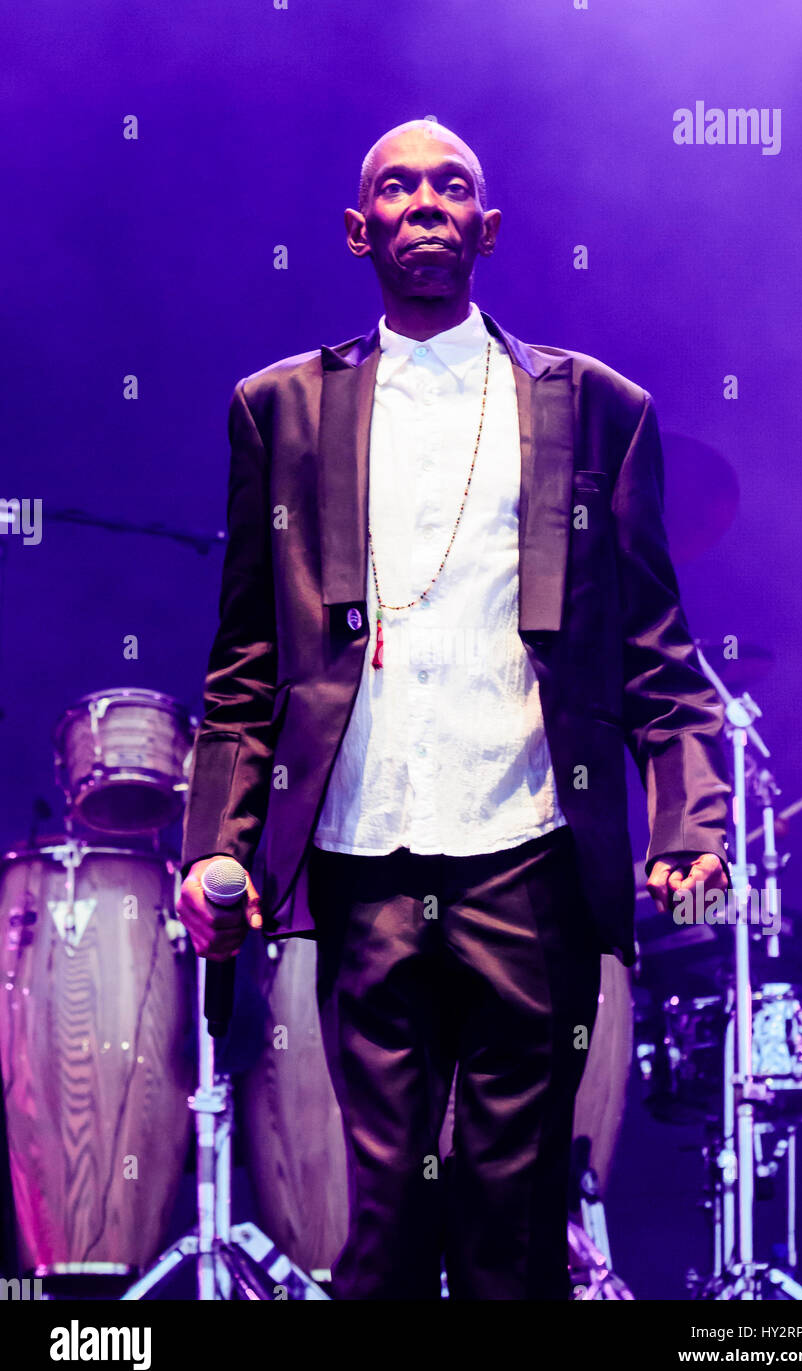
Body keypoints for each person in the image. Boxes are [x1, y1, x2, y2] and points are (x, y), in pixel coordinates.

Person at [178, 118, 730, 1300]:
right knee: (386, 1210)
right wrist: (216, 845)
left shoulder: (593, 407)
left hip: (526, 853)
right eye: (395, 185)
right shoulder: (277, 411)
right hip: (362, 852)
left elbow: (653, 643)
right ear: (355, 228)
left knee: (513, 1218)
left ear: (485, 228)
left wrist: (687, 822)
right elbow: (245, 653)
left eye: (451, 187)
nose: (423, 202)